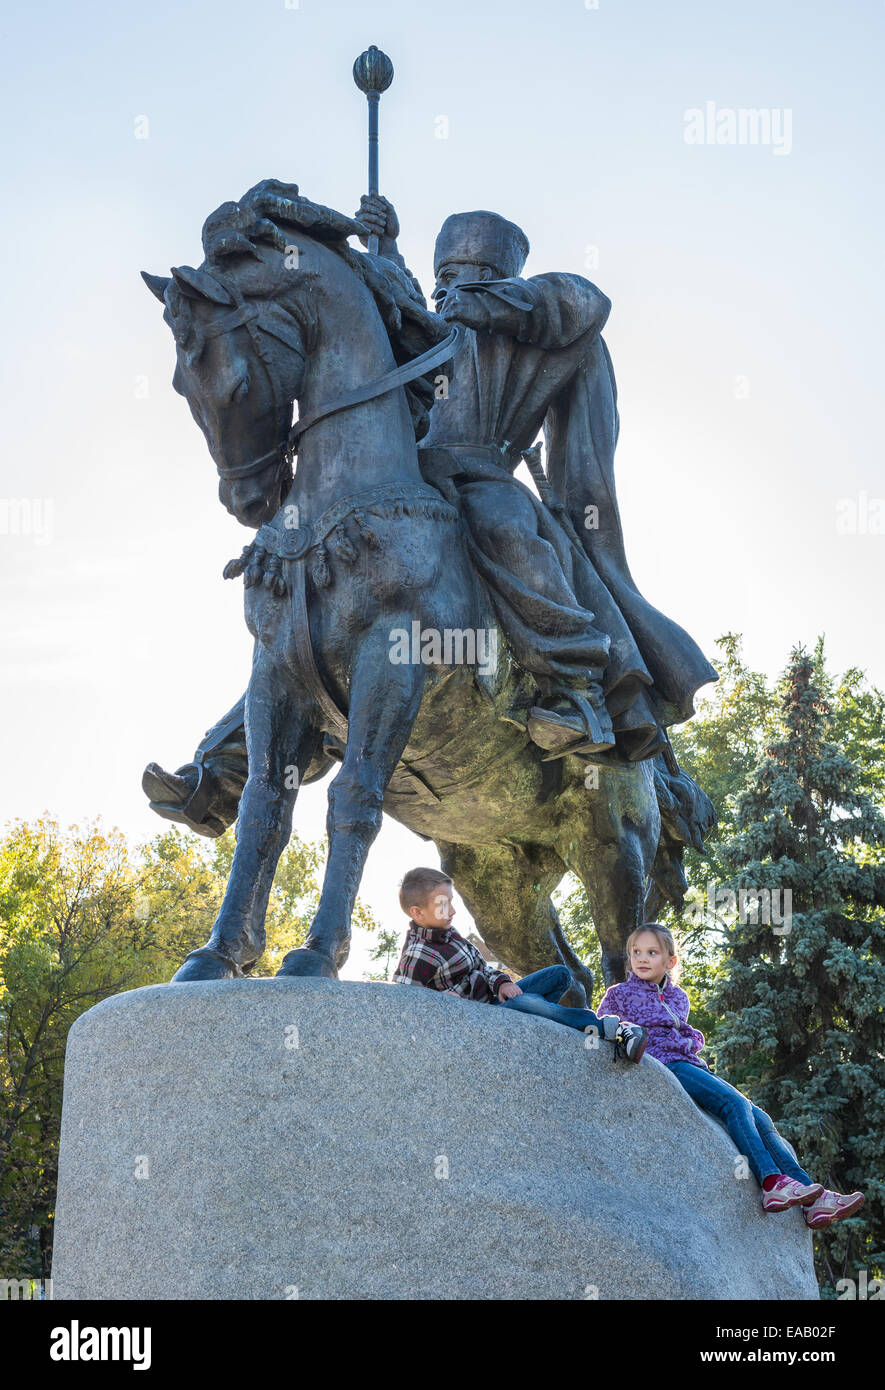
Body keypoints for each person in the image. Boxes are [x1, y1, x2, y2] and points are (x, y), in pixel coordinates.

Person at [597, 924, 866, 1228]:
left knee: (761, 1118)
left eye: (651, 952)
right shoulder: (619, 995)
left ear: (670, 961)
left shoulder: (678, 997)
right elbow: (601, 1026)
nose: (641, 959)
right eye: (636, 952)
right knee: (733, 1105)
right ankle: (773, 1183)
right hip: (665, 1062)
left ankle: (814, 1202)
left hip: (690, 1063)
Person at [391, 867, 648, 1063]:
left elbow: (482, 968)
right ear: (417, 912)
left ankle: (538, 1021)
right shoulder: (417, 954)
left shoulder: (450, 934)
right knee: (529, 1003)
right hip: (479, 1015)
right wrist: (440, 1002)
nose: (453, 911)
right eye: (443, 904)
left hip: (496, 999)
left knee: (560, 975)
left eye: (451, 901)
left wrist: (501, 982)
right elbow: (404, 1006)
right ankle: (609, 1029)